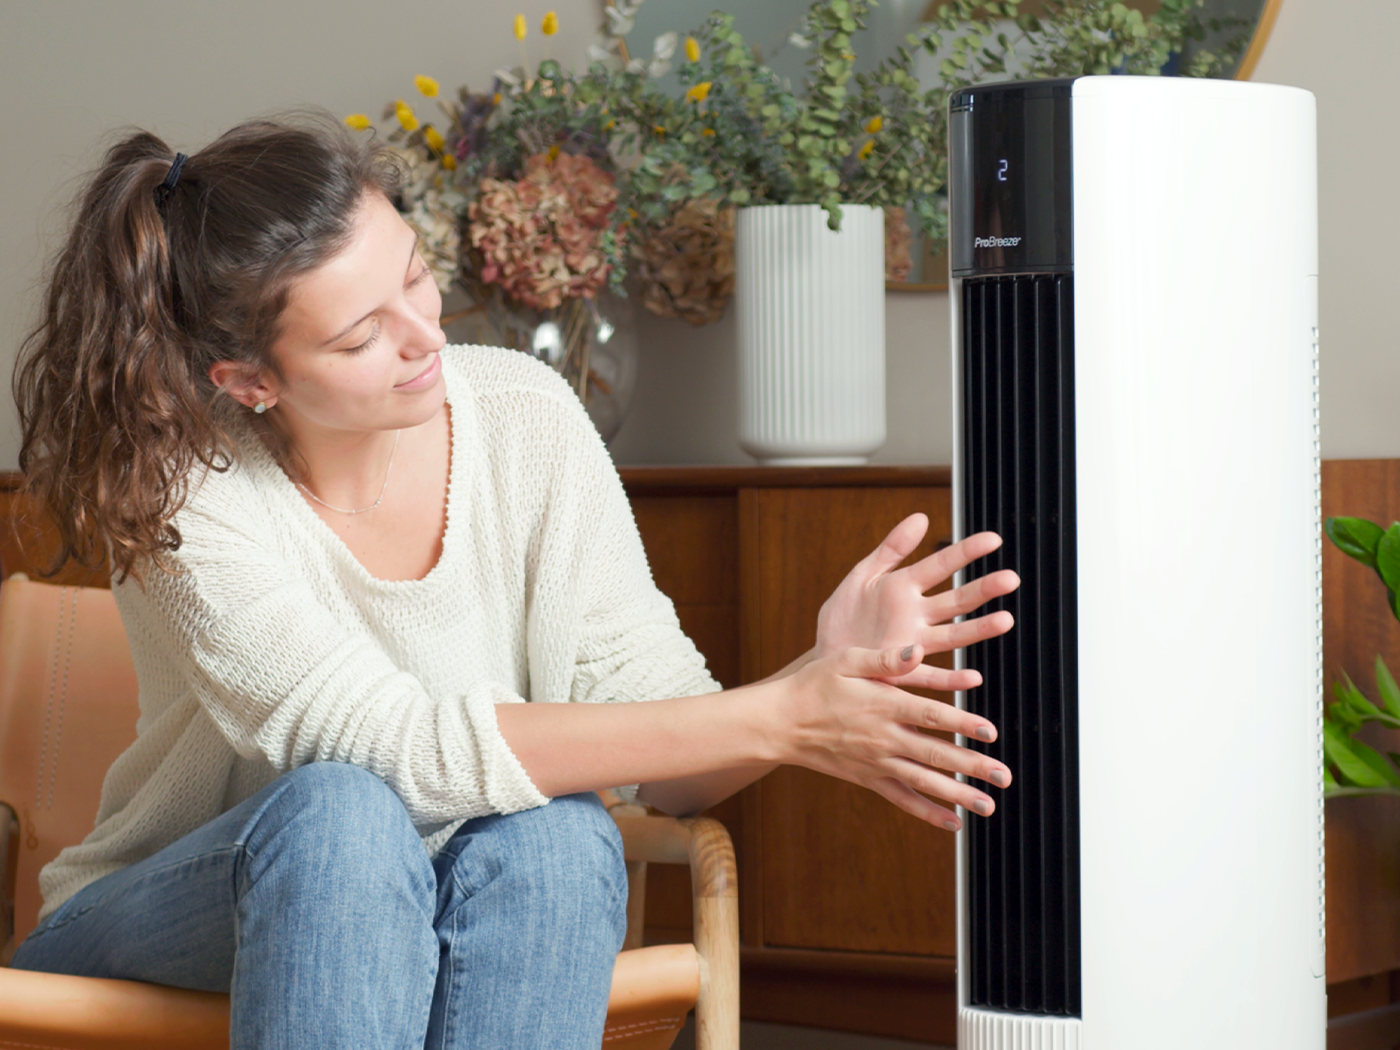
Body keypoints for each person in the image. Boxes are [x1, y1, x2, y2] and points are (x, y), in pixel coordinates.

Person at [7, 115, 1018, 1050]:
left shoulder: (524, 415)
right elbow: (394, 757)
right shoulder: (189, 491)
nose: (423, 335)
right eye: (360, 336)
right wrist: (783, 716)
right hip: (162, 919)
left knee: (563, 837)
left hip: (436, 898)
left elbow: (660, 754)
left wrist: (815, 675)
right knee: (342, 819)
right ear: (249, 382)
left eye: (415, 275)